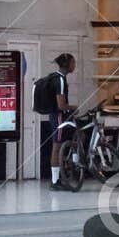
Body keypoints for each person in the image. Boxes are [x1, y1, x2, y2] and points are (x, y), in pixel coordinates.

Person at [42, 53, 76, 188]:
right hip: (59, 116)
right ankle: (55, 181)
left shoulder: (54, 77)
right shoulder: (60, 80)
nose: (75, 66)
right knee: (56, 147)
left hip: (57, 115)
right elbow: (61, 105)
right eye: (73, 63)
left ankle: (74, 163)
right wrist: (74, 107)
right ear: (67, 64)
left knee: (79, 133)